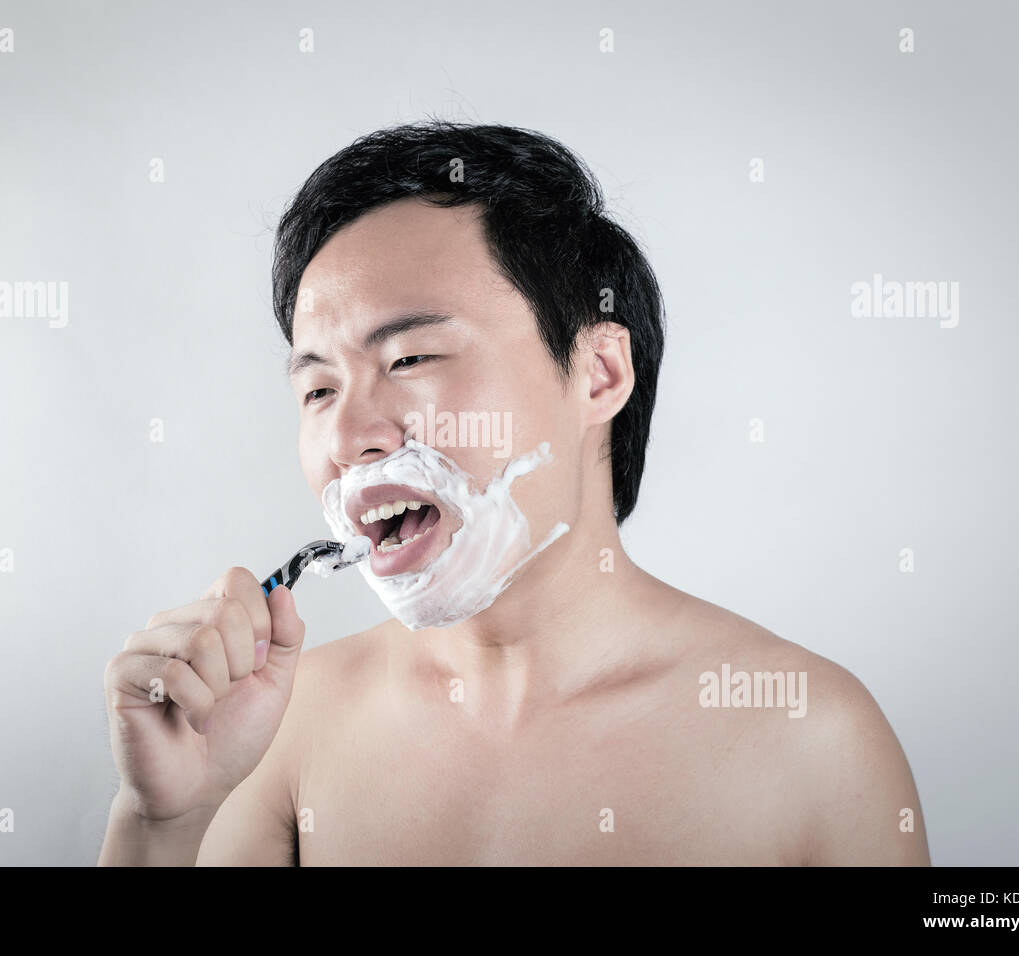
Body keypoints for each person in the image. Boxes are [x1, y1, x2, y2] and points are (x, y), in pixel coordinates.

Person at [99, 121, 930, 865]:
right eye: (317, 391)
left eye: (411, 359)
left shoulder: (812, 738)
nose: (350, 439)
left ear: (599, 373)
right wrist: (164, 825)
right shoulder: (271, 735)